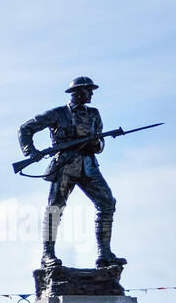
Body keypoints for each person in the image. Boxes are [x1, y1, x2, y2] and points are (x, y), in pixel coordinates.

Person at [17, 76, 121, 269]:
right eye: (88, 91)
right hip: (65, 165)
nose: (91, 94)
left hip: (88, 166)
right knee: (55, 209)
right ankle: (48, 254)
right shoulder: (57, 113)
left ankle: (104, 253)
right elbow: (25, 129)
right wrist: (31, 151)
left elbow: (100, 144)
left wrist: (95, 143)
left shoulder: (94, 114)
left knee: (107, 203)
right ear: (77, 92)